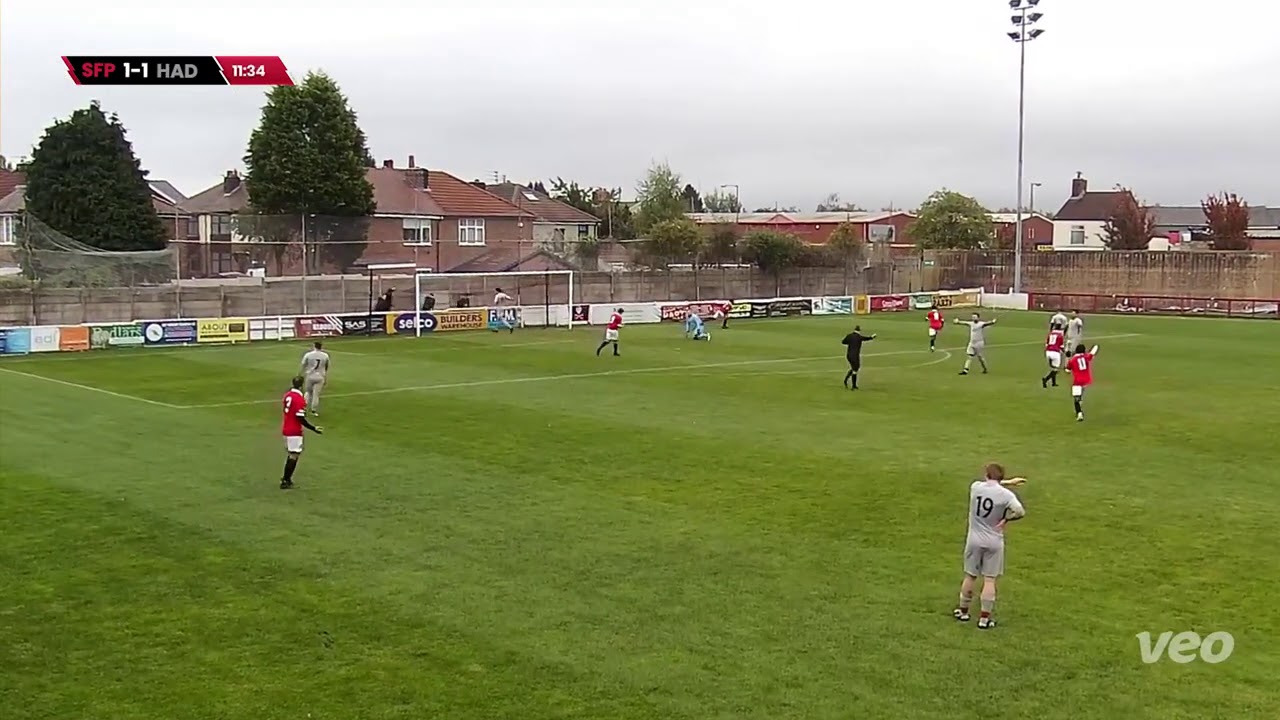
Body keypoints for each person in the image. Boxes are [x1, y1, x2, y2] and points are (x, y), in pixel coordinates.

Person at [954, 463, 1026, 630]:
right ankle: (984, 619)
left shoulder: (975, 487)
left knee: (970, 575)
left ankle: (963, 611)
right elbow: (1020, 511)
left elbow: (989, 484)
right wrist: (1006, 519)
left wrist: (1006, 482)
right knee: (989, 579)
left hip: (974, 539)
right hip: (994, 540)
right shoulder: (1006, 496)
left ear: (986, 475)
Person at [280, 376, 323, 490]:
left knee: (291, 454)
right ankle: (286, 480)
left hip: (286, 429)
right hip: (294, 431)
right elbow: (300, 418)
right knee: (294, 455)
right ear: (301, 385)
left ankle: (286, 479)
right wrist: (313, 428)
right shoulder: (299, 399)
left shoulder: (287, 395)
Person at [1069, 343, 1100, 422]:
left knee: (1076, 398)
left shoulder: (1072, 360)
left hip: (1077, 381)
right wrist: (1095, 347)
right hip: (1086, 380)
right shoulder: (1086, 357)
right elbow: (1092, 354)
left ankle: (1079, 413)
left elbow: (1068, 370)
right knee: (1081, 392)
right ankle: (1080, 400)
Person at [840, 324, 877, 390]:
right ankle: (853, 385)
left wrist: (850, 343)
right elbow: (866, 338)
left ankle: (847, 381)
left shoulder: (849, 336)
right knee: (855, 369)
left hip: (849, 355)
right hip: (855, 356)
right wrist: (872, 337)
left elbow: (843, 342)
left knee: (854, 368)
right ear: (859, 331)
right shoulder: (859, 337)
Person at [299, 341, 330, 416]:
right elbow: (326, 366)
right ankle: (313, 410)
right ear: (321, 347)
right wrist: (325, 376)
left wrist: (300, 374)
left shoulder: (308, 355)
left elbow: (303, 364)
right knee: (316, 394)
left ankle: (304, 408)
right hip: (320, 376)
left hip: (310, 375)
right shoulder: (325, 355)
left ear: (314, 346)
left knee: (308, 392)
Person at [1042, 323, 1066, 388]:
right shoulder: (1060, 336)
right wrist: (1065, 352)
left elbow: (1046, 344)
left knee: (1052, 368)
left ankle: (1053, 383)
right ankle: (1045, 379)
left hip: (1048, 352)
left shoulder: (1050, 334)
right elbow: (1061, 346)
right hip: (1055, 352)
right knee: (1056, 369)